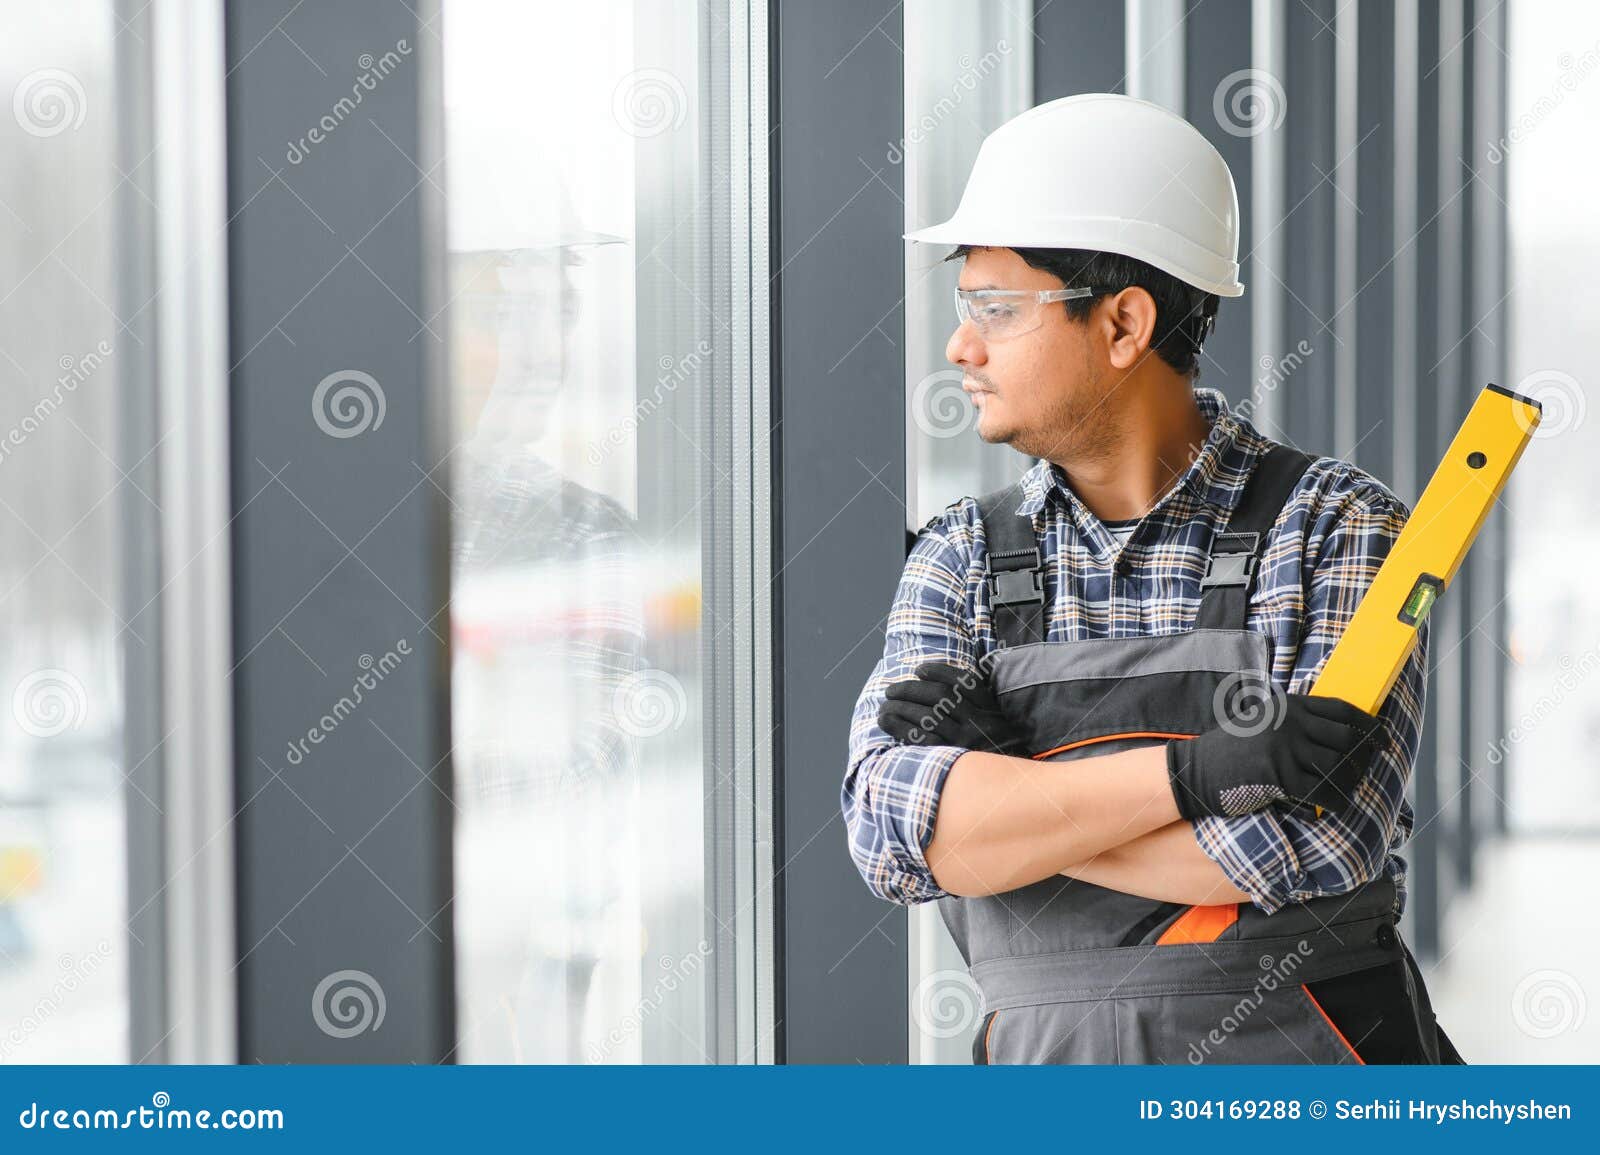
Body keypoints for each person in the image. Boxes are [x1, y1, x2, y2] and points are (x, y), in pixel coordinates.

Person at [842, 93, 1461, 1065]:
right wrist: (1198, 776)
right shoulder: (958, 554)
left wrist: (1009, 804)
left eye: (996, 311)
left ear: (1124, 323)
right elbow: (893, 836)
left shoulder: (1336, 528)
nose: (961, 348)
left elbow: (1316, 846)